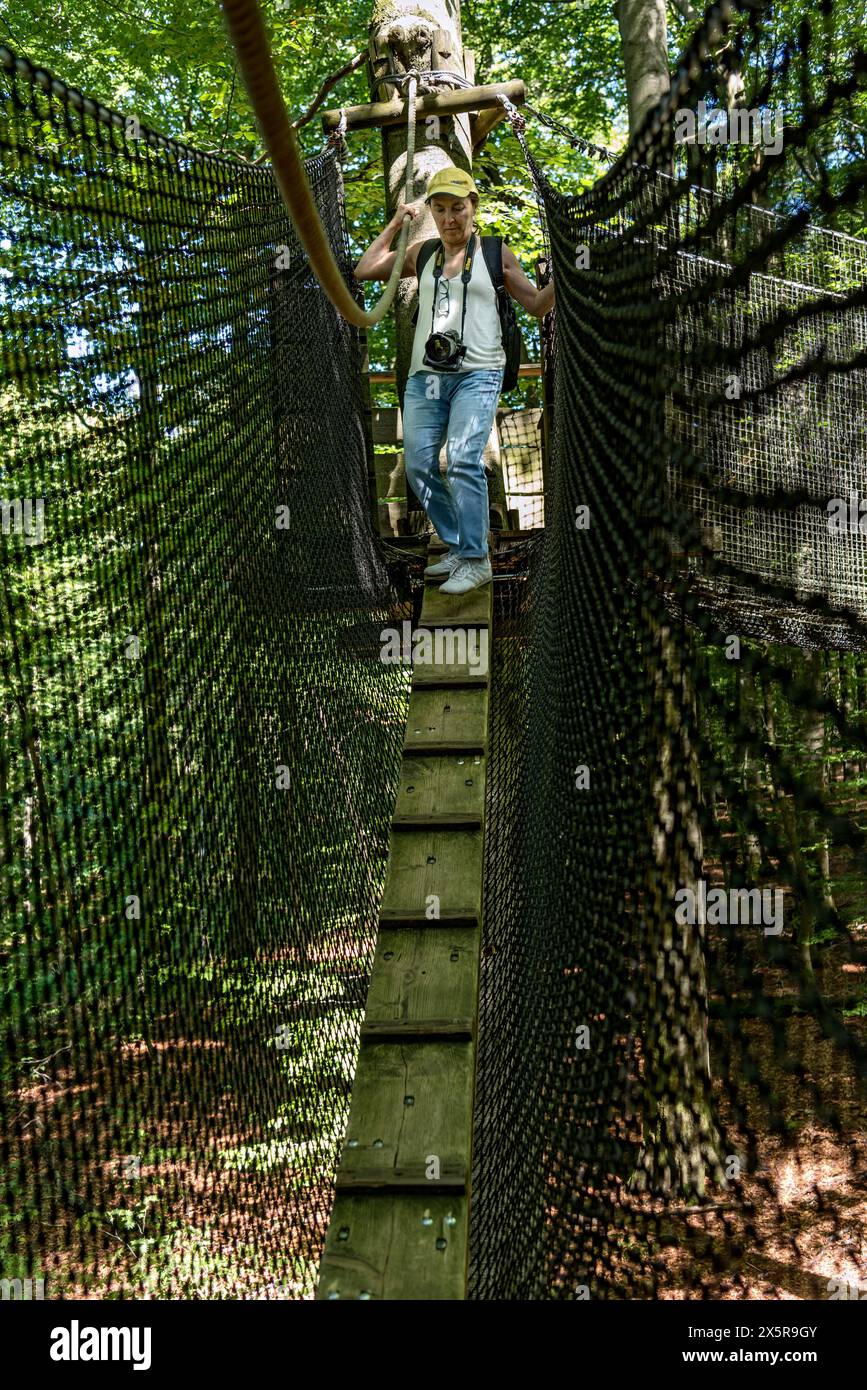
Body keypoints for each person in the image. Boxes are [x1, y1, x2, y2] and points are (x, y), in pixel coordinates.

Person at [353, 166, 555, 594]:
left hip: (478, 373)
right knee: (420, 466)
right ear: (431, 211)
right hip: (426, 376)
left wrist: (564, 283)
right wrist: (397, 223)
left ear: (473, 208)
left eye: (458, 209)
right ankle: (460, 546)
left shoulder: (496, 253)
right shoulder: (421, 255)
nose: (449, 218)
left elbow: (537, 305)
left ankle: (476, 559)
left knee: (464, 458)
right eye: (440, 209)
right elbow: (365, 268)